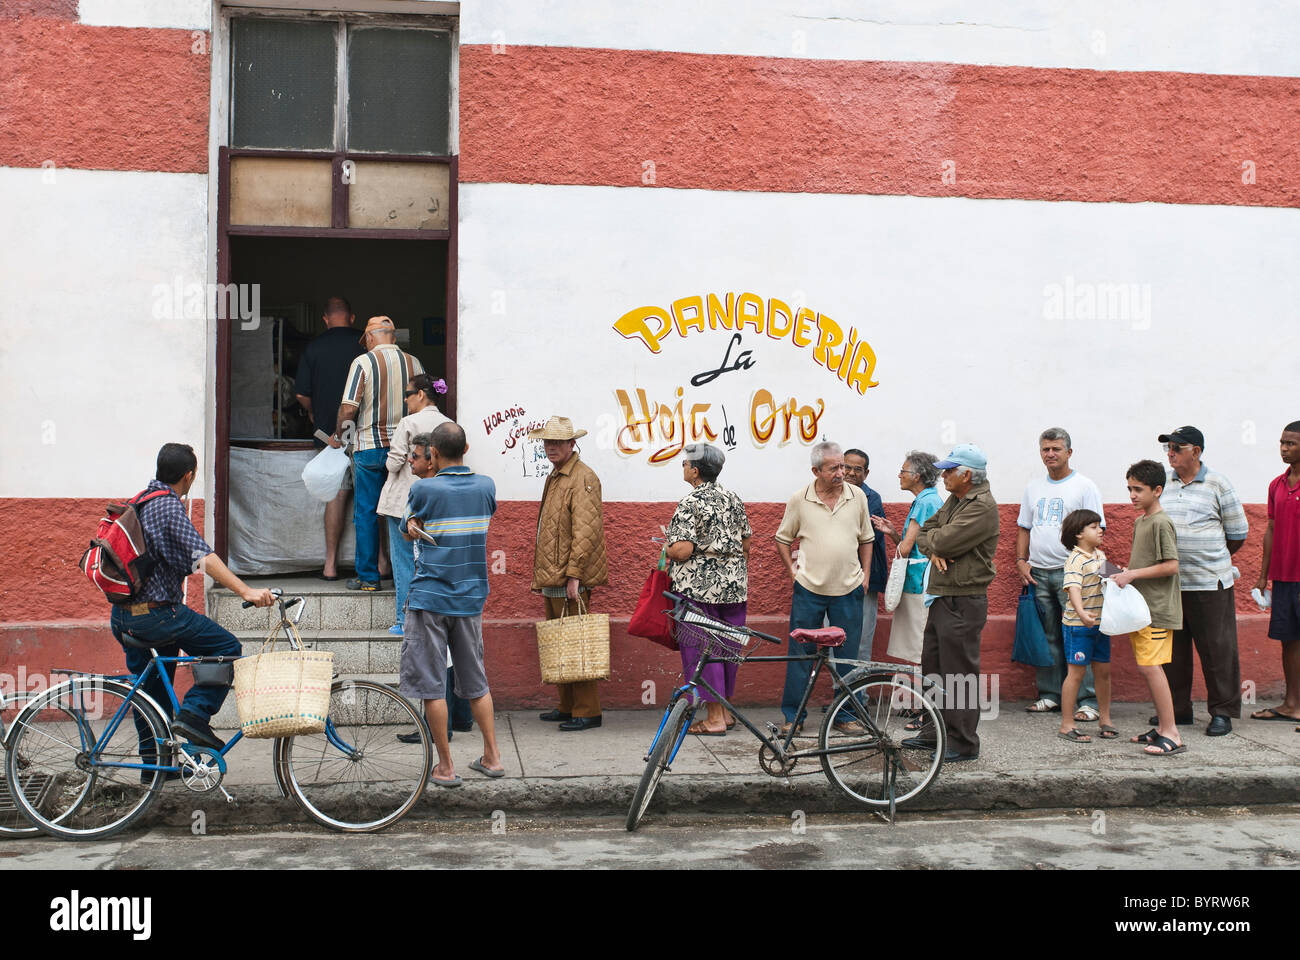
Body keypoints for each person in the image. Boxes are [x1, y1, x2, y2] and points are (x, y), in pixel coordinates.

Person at [109, 444, 274, 758]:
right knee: (225, 649)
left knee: (151, 695)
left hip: (124, 615)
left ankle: (154, 770)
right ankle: (195, 715)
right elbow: (202, 557)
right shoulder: (168, 506)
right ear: (189, 475)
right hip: (157, 615)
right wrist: (246, 591)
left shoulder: (139, 502)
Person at [400, 423, 504, 786]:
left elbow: (407, 524)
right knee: (476, 681)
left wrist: (412, 522)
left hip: (430, 597)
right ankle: (492, 756)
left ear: (434, 455)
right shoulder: (486, 486)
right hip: (471, 596)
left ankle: (446, 766)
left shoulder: (423, 488)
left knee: (432, 685)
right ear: (467, 447)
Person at [905, 444, 999, 762]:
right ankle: (934, 732)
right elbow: (926, 532)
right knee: (934, 667)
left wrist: (936, 545)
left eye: (949, 470)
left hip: (963, 597)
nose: (943, 475)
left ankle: (963, 742)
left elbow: (940, 538)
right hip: (944, 594)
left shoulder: (981, 506)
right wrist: (935, 549)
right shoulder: (956, 500)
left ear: (967, 475)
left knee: (959, 673)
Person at [774, 441, 875, 736]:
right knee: (800, 655)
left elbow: (866, 539)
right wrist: (792, 572)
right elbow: (782, 538)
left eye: (842, 466)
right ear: (816, 471)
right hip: (809, 590)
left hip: (849, 589)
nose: (842, 472)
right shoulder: (799, 499)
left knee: (847, 657)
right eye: (834, 468)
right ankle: (794, 715)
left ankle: (845, 716)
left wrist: (865, 575)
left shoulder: (857, 496)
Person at [1157, 426, 1249, 736]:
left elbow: (1237, 534)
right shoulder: (1163, 484)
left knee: (1217, 650)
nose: (1170, 453)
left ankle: (1222, 712)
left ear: (1195, 452)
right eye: (1168, 448)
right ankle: (1178, 710)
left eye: (1176, 448)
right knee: (1173, 652)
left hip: (1210, 583)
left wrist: (1207, 554)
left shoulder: (1217, 483)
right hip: (1171, 583)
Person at [1015, 428, 1106, 721]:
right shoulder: (1033, 488)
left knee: (1078, 636)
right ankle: (1050, 695)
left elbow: (1096, 530)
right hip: (1038, 573)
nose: (1050, 454)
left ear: (1069, 452)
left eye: (1056, 449)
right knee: (1048, 636)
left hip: (1074, 576)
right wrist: (1021, 560)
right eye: (1045, 449)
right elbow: (1024, 527)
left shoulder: (1084, 486)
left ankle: (1087, 701)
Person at [330, 316, 424, 591]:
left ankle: (369, 578)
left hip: (370, 448)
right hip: (407, 451)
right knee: (405, 509)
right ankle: (408, 576)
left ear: (370, 339)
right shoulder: (414, 363)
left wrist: (341, 435)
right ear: (393, 337)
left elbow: (348, 408)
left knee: (367, 513)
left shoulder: (362, 363)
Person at [664, 443, 752, 736]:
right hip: (734, 587)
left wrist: (667, 547)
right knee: (728, 648)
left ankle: (714, 718)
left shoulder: (691, 503)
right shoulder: (733, 499)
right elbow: (746, 544)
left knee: (703, 649)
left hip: (699, 590)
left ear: (696, 470)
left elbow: (683, 550)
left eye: (685, 463)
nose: (683, 467)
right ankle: (724, 713)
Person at [529, 416, 609, 731]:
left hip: (569, 576)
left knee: (577, 641)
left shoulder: (583, 478)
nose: (550, 448)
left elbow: (587, 532)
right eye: (547, 442)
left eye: (557, 443)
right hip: (554, 574)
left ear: (571, 444)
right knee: (560, 642)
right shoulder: (558, 475)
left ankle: (587, 710)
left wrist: (575, 574)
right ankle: (567, 706)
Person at [394, 430, 472, 744]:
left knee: (432, 658)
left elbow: (407, 531)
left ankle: (437, 727)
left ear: (433, 458)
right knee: (453, 653)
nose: (410, 460)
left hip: (435, 582)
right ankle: (461, 717)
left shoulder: (427, 490)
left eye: (415, 456)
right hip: (459, 582)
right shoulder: (458, 488)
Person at [1113, 460, 1185, 756]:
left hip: (1157, 610)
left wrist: (1132, 574)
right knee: (1148, 668)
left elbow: (1171, 566)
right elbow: (1147, 564)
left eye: (1138, 489)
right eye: (1129, 488)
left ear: (1157, 490)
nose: (1132, 495)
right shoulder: (1141, 521)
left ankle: (1173, 733)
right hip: (1142, 609)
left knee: (1150, 668)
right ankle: (1161, 728)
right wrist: (1126, 571)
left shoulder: (1160, 522)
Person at [293, 295, 364, 580]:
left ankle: (330, 565)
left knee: (336, 496)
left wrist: (313, 412)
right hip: (363, 435)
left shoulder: (314, 347)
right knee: (370, 497)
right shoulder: (365, 345)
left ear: (325, 319)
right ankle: (381, 565)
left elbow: (300, 393)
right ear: (352, 317)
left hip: (330, 438)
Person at [378, 374, 450, 635]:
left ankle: (404, 619)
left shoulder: (409, 422)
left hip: (404, 501)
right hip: (436, 501)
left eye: (408, 394)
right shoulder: (448, 423)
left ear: (421, 394)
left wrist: (387, 462)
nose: (406, 400)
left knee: (404, 561)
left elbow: (394, 461)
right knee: (430, 562)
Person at [871, 451, 943, 664]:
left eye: (903, 471)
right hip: (923, 580)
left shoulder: (924, 502)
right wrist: (894, 534)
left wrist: (897, 541)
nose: (899, 475)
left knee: (917, 647)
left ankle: (920, 693)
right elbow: (911, 547)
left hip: (917, 582)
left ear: (917, 475)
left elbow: (906, 549)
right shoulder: (930, 499)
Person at [1251, 420, 1300, 725]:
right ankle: (1291, 704)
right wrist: (1262, 575)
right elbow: (1270, 528)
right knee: (1289, 641)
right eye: (1282, 442)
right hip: (1283, 578)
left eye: (1291, 443)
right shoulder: (1276, 485)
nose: (1284, 448)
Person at [1056, 510, 1116, 743]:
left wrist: (1123, 575)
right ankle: (1067, 723)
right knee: (1076, 674)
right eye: (1094, 526)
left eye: (1100, 526)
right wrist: (1081, 613)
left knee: (1103, 673)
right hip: (1078, 627)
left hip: (1101, 625)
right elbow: (1073, 589)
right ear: (1079, 534)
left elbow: (1113, 577)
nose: (1100, 530)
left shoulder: (1098, 556)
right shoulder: (1076, 559)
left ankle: (1106, 719)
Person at [843, 449, 887, 657]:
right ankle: (840, 689)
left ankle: (859, 690)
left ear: (866, 473)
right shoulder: (830, 494)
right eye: (847, 467)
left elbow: (867, 536)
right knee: (835, 637)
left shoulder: (872, 498)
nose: (851, 473)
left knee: (862, 638)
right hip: (834, 578)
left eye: (857, 469)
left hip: (864, 578)